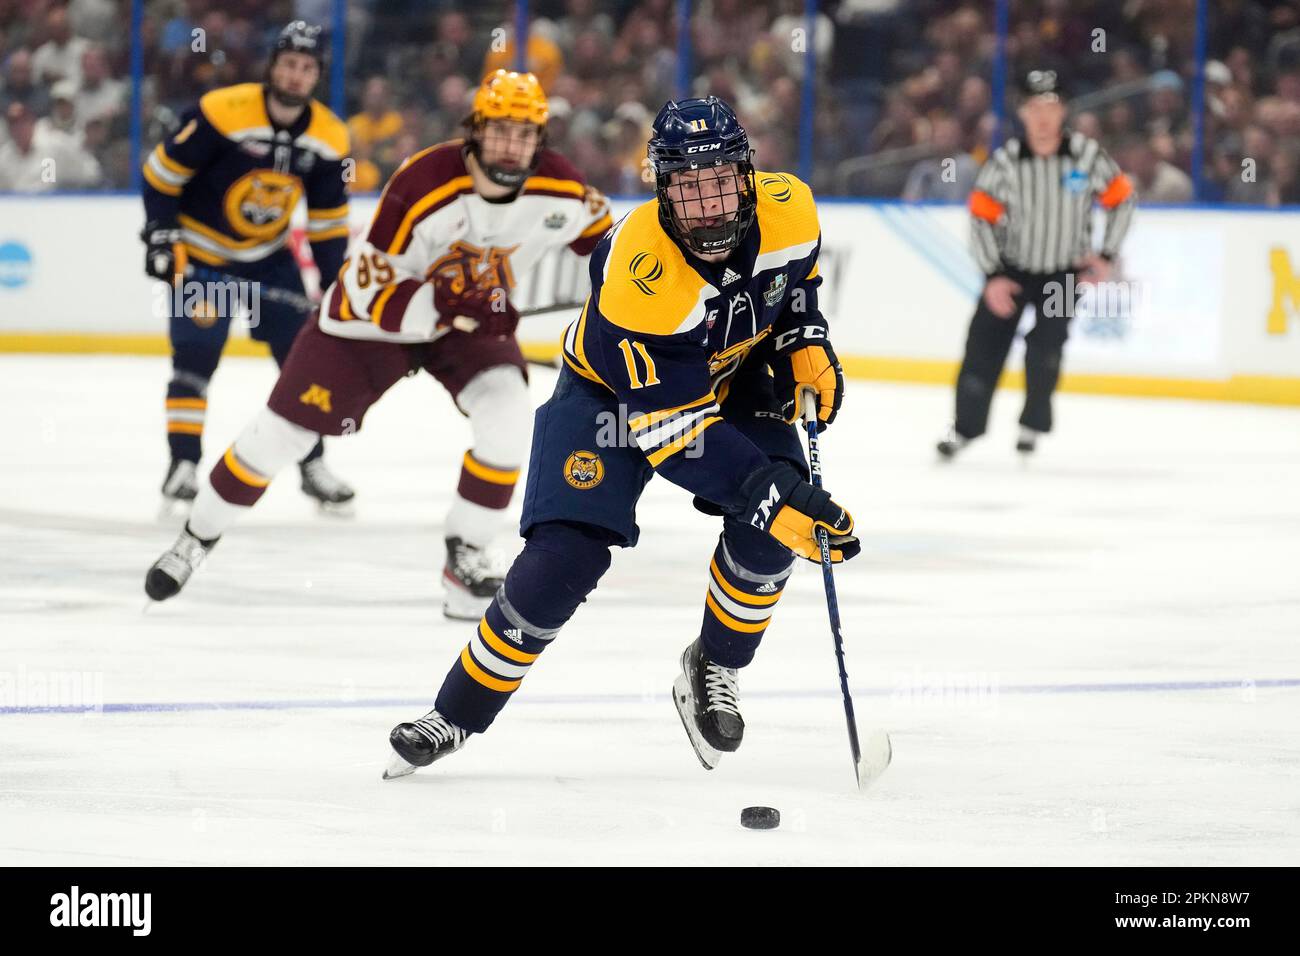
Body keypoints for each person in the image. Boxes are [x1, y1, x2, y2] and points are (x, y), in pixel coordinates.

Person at [383, 96, 860, 779]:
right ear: (661, 189)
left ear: (747, 177)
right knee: (564, 559)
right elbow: (676, 432)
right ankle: (456, 713)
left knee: (768, 534)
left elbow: (795, 286)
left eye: (719, 181)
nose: (707, 205)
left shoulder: (793, 208)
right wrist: (771, 494)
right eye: (687, 188)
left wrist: (804, 339)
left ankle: (714, 665)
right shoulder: (640, 268)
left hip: (733, 375)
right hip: (612, 396)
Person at [144, 69, 614, 621]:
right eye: (500, 130)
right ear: (475, 131)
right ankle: (197, 537)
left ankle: (465, 558)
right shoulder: (424, 183)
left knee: (509, 411)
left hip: (465, 327)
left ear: (541, 139)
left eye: (526, 133)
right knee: (283, 435)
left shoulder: (561, 188)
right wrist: (447, 307)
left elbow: (609, 249)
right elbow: (369, 287)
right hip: (369, 324)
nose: (513, 145)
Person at [141, 21, 355, 507]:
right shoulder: (222, 112)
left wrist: (332, 285)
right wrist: (161, 235)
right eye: (289, 64)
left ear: (316, 75)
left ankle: (313, 463)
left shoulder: (328, 136)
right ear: (273, 66)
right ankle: (183, 464)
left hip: (267, 259)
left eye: (307, 68)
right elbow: (161, 175)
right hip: (204, 256)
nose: (296, 75)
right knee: (195, 357)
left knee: (302, 360)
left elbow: (326, 223)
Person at [938, 70, 1136, 458]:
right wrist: (993, 274)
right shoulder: (1007, 161)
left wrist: (1106, 255)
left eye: (1052, 106)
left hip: (1063, 274)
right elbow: (981, 216)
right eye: (1035, 107)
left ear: (1064, 111)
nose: (1044, 116)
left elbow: (1122, 200)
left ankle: (1032, 424)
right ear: (1023, 113)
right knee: (982, 347)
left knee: (1046, 350)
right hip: (1012, 269)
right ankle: (964, 429)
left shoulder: (1087, 155)